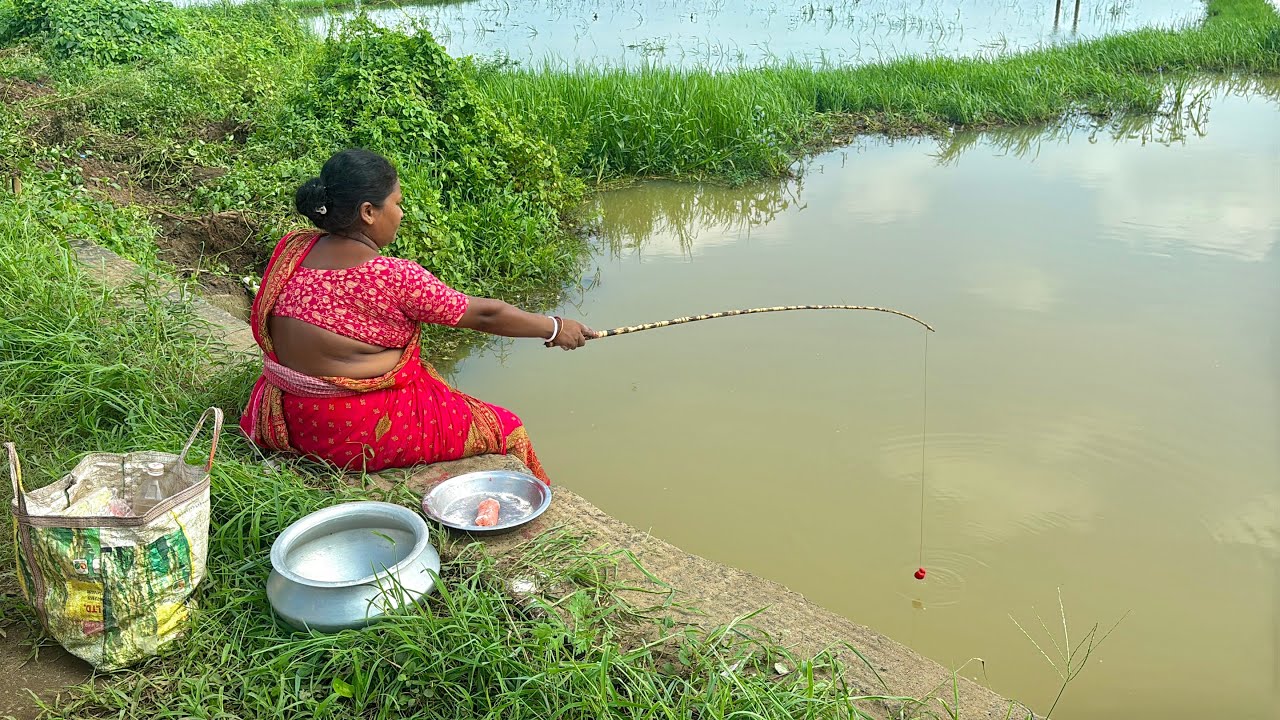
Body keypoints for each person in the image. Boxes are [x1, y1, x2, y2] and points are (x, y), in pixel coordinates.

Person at [239, 148, 594, 482]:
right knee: (507, 428)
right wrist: (555, 327)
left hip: (284, 414)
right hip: (346, 432)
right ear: (368, 212)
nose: (402, 214)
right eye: (397, 203)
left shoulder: (294, 248)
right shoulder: (392, 276)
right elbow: (485, 315)